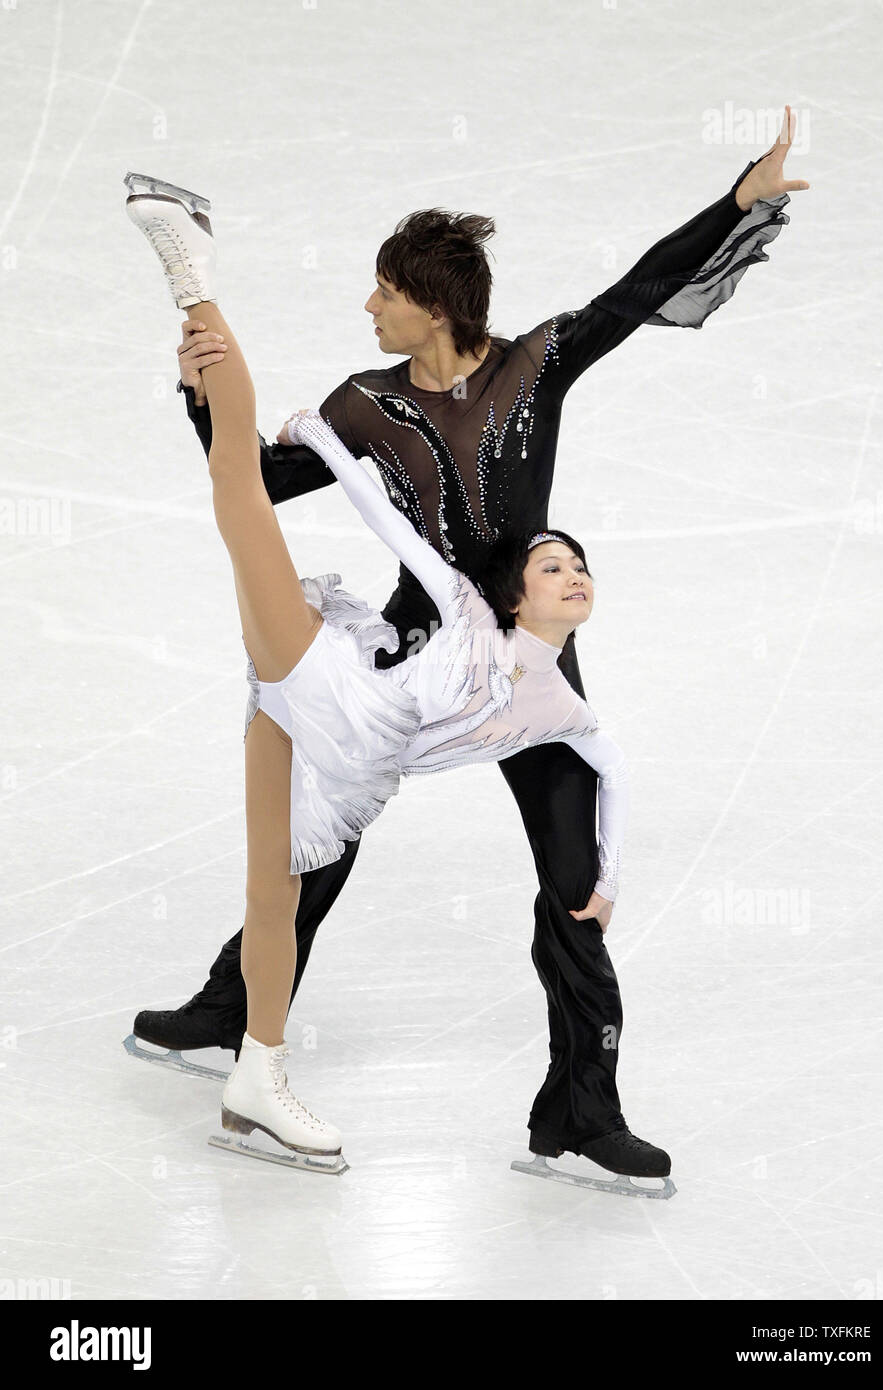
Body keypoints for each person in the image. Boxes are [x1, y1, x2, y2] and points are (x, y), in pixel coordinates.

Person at [126, 109, 808, 1176]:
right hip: (416, 642)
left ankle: (579, 1108)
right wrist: (195, 388)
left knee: (574, 874)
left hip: (529, 660)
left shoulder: (535, 366)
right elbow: (251, 482)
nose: (368, 307)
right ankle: (233, 1007)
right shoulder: (368, 402)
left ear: (432, 304)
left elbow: (636, 290)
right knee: (326, 834)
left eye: (384, 292)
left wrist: (738, 200)